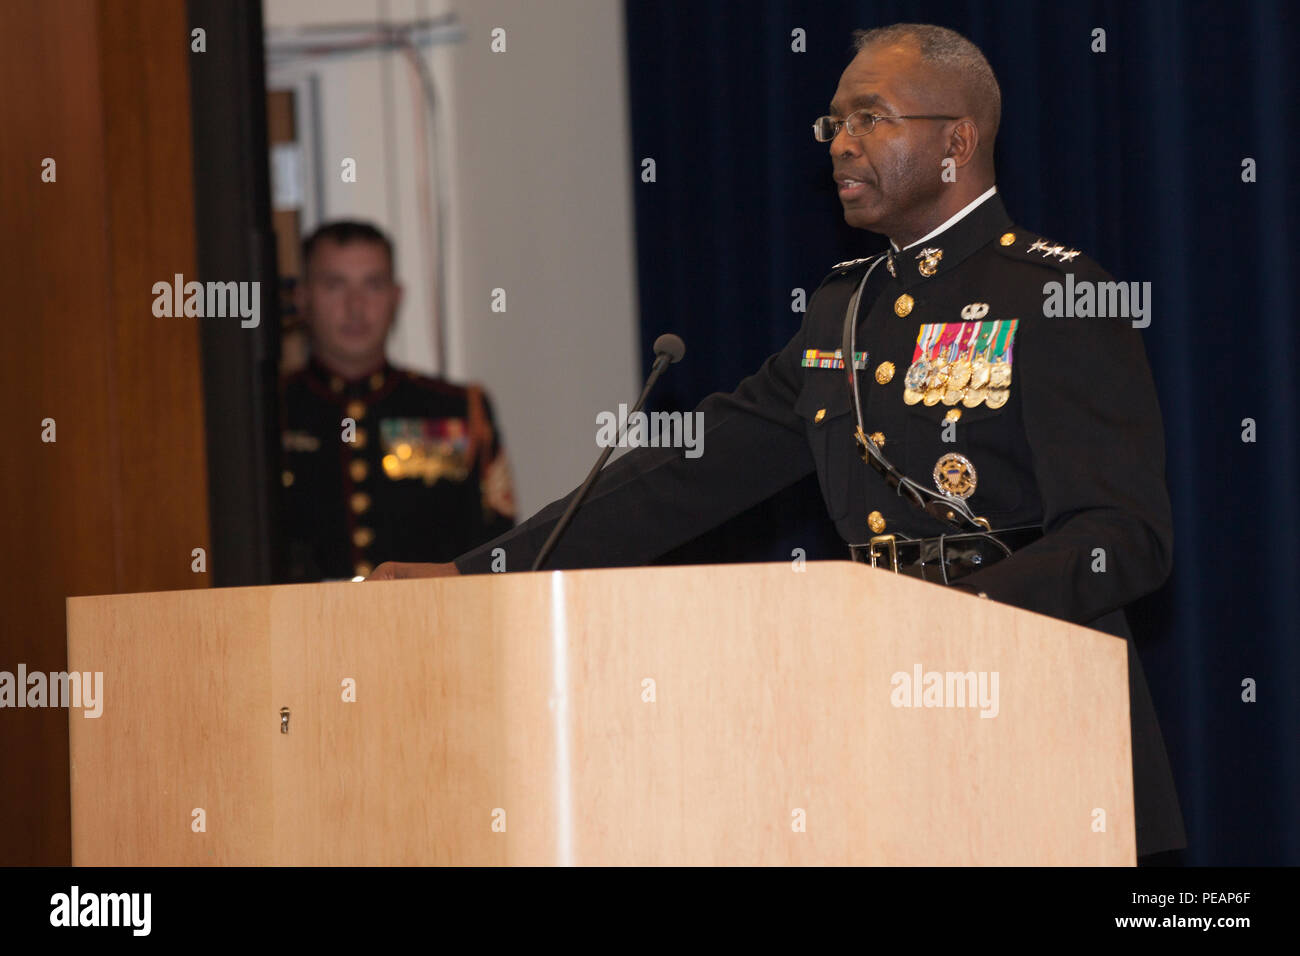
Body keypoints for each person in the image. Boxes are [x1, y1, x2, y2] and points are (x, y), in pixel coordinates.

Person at [368, 24, 1185, 860]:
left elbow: (1125, 540)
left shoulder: (1053, 294)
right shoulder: (845, 310)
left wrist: (952, 619)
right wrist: (481, 573)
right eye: (834, 123)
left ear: (958, 141)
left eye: (871, 118)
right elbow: (680, 477)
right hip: (883, 738)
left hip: (1036, 730)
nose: (841, 144)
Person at [280, 220, 515, 581]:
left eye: (373, 285)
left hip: (433, 625)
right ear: (303, 298)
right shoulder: (268, 414)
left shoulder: (457, 409)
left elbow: (497, 551)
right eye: (334, 285)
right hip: (297, 629)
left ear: (397, 297)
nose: (355, 306)